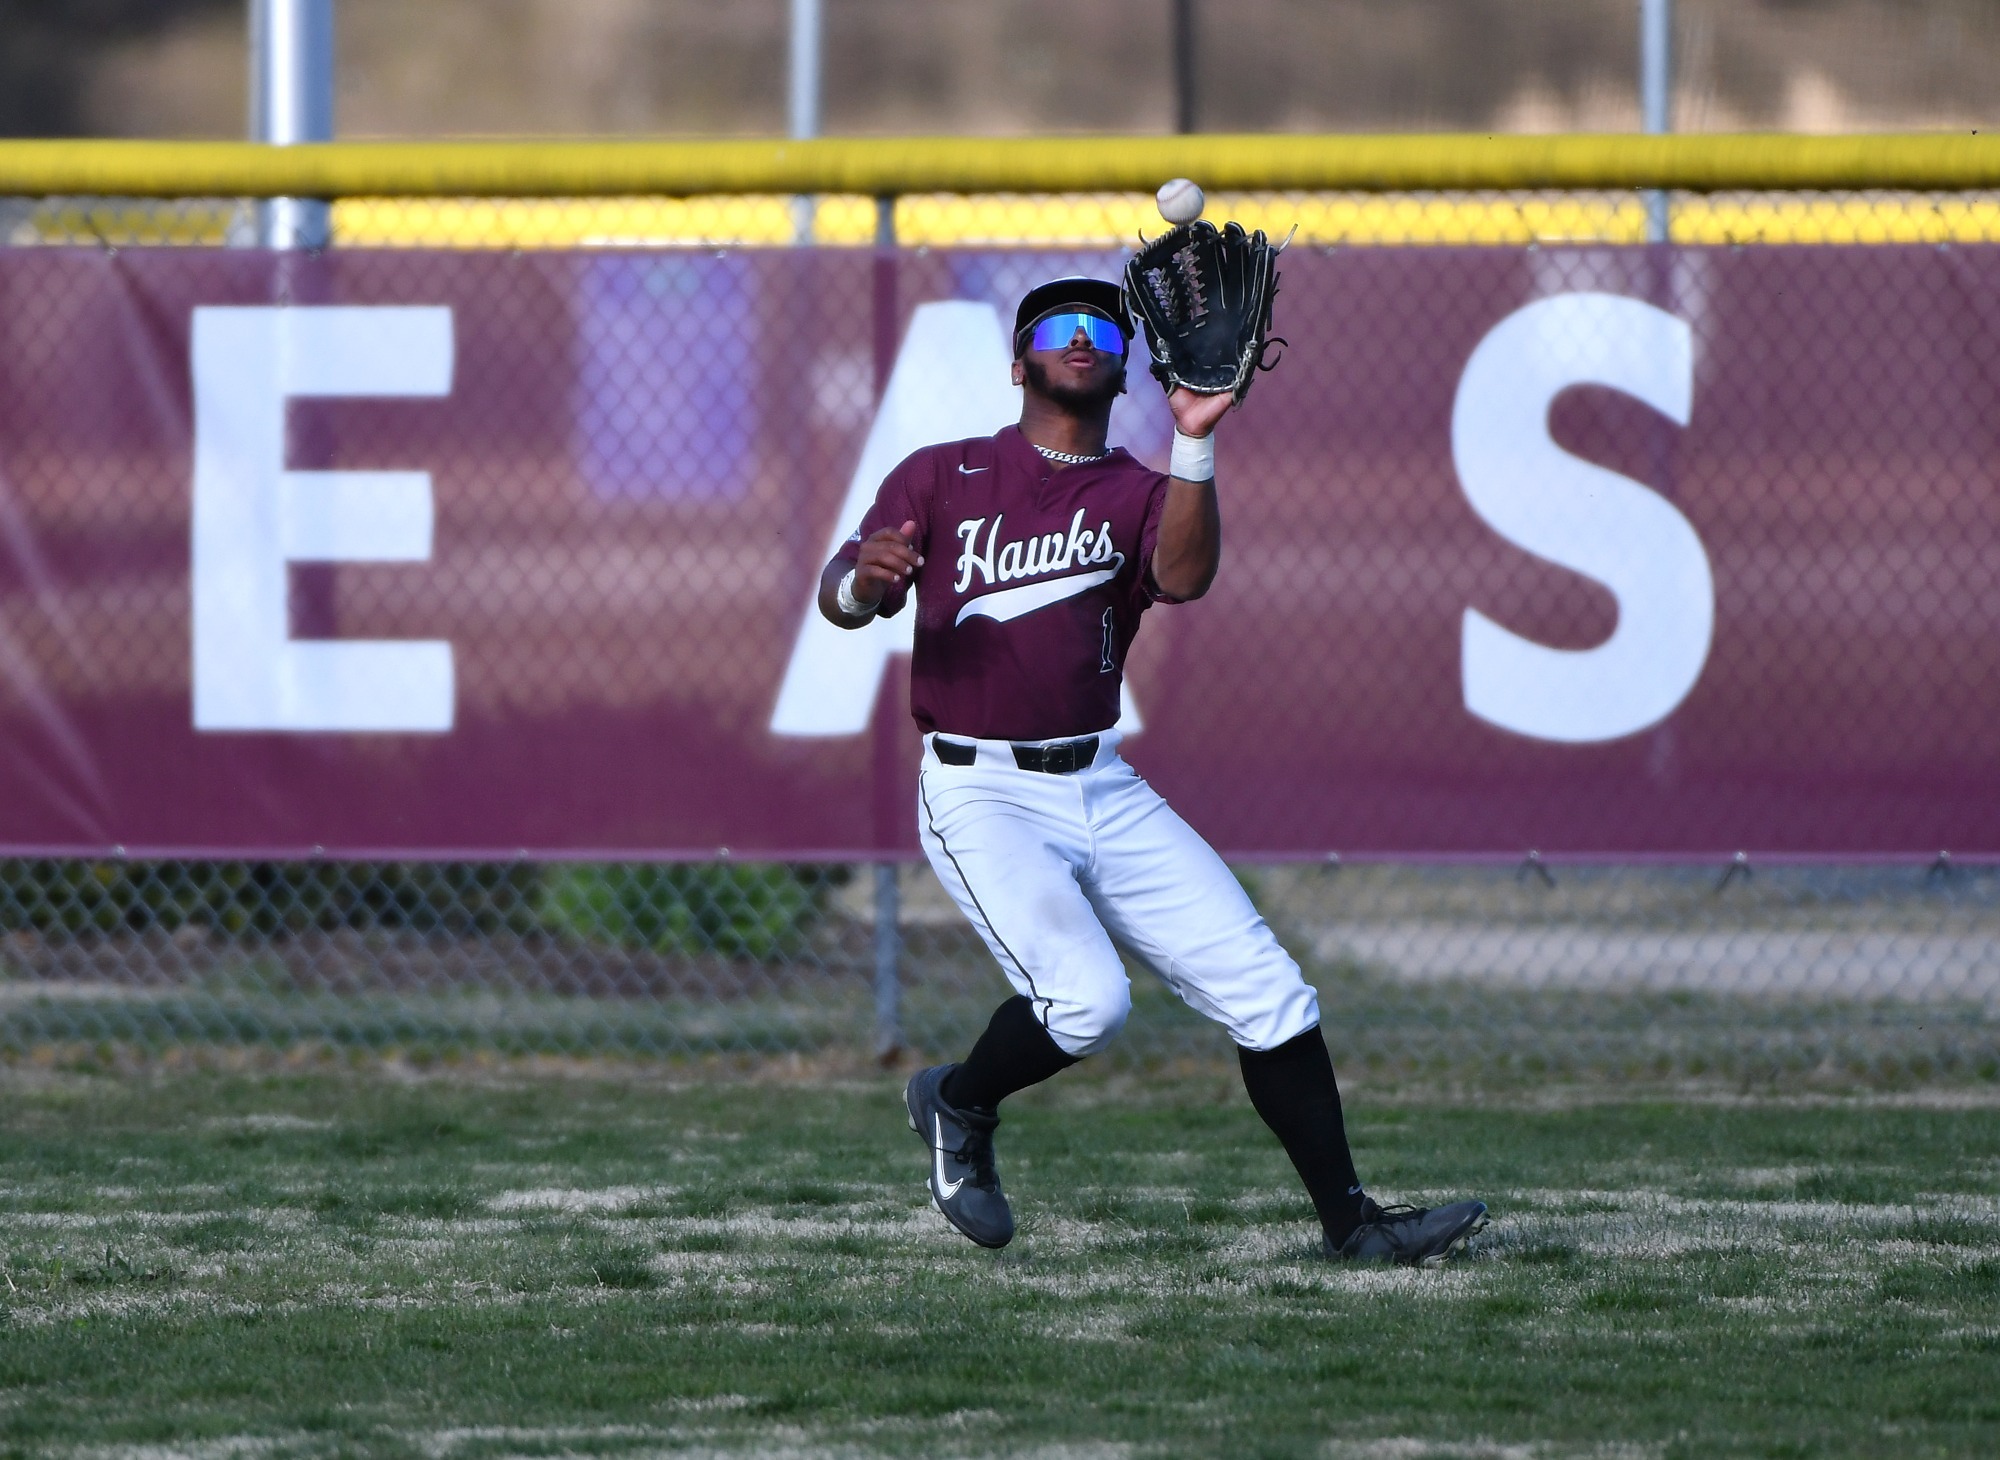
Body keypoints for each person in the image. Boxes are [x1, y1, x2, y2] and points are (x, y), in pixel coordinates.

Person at [816, 276, 1486, 1265]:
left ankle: (1353, 1224)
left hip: (1100, 780)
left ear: (1123, 360)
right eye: (1056, 327)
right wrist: (859, 581)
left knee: (1270, 993)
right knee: (1088, 1000)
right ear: (1018, 361)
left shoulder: (1139, 487)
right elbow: (839, 592)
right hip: (979, 784)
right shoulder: (942, 475)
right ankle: (955, 1101)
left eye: (1100, 327)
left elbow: (1182, 576)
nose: (1081, 338)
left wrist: (1196, 439)